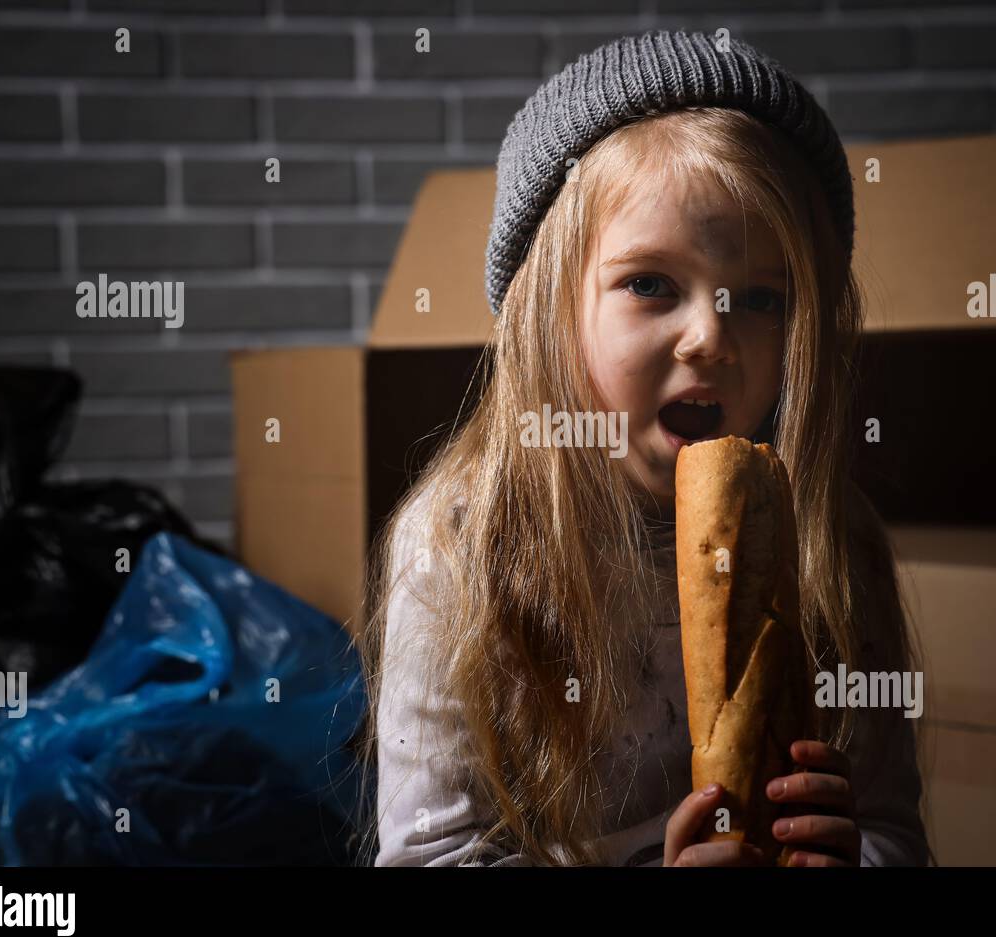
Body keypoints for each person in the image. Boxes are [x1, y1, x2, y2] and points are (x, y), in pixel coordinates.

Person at [354, 29, 931, 867]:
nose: (710, 337)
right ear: (548, 310)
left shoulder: (832, 543)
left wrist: (855, 854)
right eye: (651, 284)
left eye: (761, 298)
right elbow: (432, 855)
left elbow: (896, 829)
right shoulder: (457, 547)